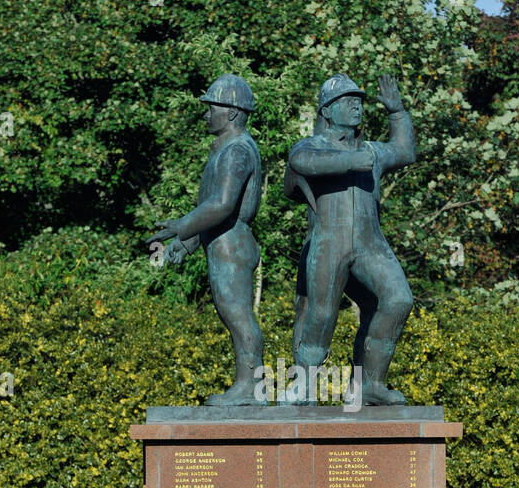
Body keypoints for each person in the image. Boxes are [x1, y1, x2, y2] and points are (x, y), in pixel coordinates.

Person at [285, 72, 415, 405]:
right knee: (322, 313)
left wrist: (397, 113)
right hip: (330, 242)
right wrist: (350, 161)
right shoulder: (311, 146)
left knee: (398, 299)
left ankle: (368, 383)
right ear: (326, 111)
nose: (356, 106)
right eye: (347, 101)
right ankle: (304, 382)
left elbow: (403, 152)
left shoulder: (371, 150)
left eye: (358, 101)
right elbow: (301, 161)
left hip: (371, 244)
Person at [150, 74, 264, 406]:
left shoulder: (236, 151)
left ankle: (251, 388)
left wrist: (180, 227)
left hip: (232, 243)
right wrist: (186, 243)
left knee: (238, 314)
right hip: (223, 241)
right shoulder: (227, 149)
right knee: (233, 314)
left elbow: (222, 204)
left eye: (211, 107)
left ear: (231, 112)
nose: (205, 114)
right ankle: (248, 385)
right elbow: (213, 208)